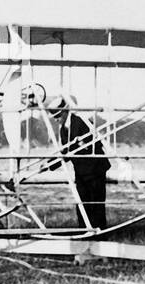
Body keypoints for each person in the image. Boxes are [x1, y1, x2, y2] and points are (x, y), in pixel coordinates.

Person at [46, 96, 110, 230]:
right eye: (55, 117)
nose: (57, 120)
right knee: (81, 203)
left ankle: (100, 234)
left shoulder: (82, 122)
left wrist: (79, 146)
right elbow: (66, 152)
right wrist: (49, 165)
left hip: (95, 170)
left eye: (58, 116)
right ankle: (84, 231)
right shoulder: (63, 129)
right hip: (81, 172)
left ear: (64, 112)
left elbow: (93, 144)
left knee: (96, 204)